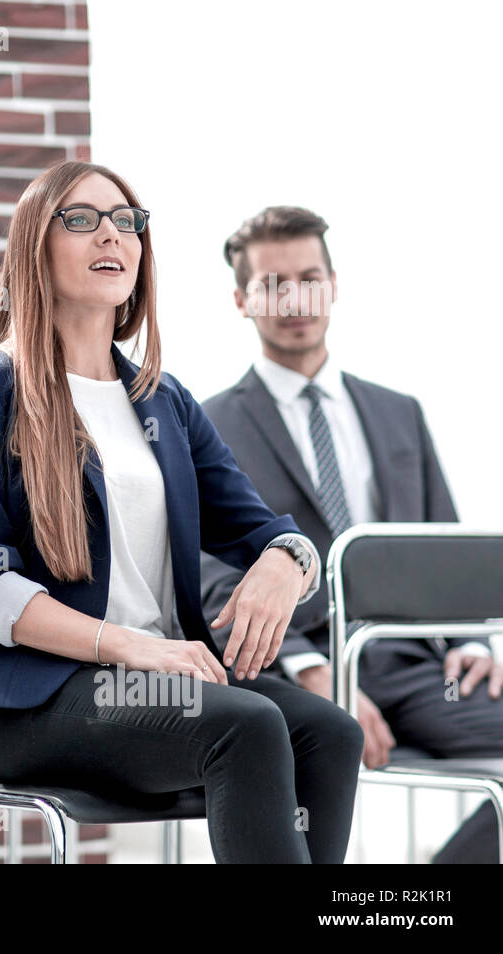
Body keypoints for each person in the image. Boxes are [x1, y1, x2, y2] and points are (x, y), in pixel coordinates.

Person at [0, 160, 365, 863]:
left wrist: (289, 561)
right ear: (36, 245)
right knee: (246, 725)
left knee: (332, 732)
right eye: (83, 219)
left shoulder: (163, 400)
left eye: (127, 221)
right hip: (35, 699)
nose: (113, 235)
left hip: (160, 680)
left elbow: (262, 527)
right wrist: (131, 646)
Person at [200, 205, 503, 864]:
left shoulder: (399, 412)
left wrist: (474, 640)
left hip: (417, 666)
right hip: (293, 669)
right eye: (273, 284)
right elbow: (209, 576)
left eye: (310, 278)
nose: (295, 299)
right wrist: (316, 672)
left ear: (335, 284)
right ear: (240, 300)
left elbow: (445, 545)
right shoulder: (208, 424)